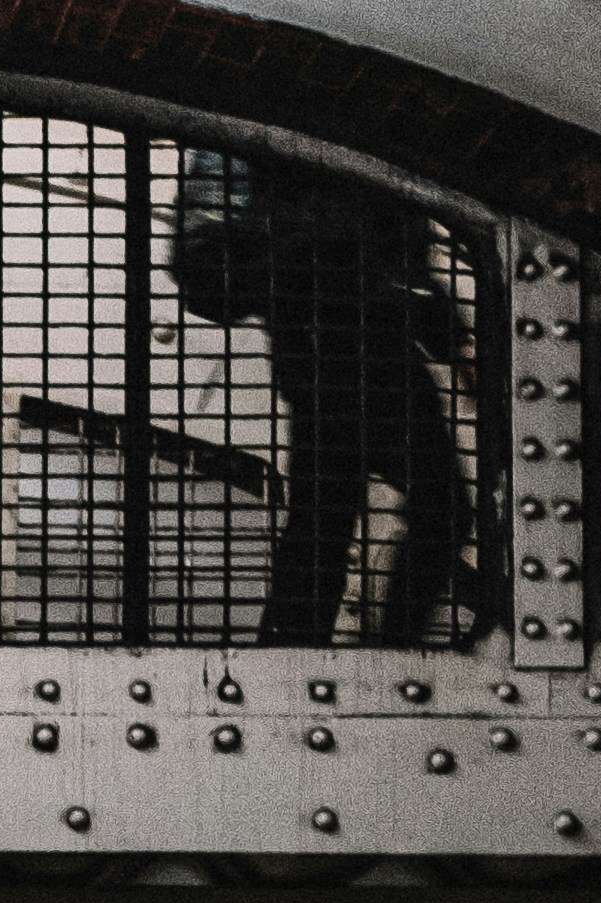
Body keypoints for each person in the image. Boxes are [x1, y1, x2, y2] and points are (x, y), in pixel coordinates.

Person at [168, 152, 458, 648]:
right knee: (413, 508)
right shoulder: (352, 149)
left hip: (335, 347)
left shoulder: (258, 152)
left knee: (327, 518)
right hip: (345, 347)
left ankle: (297, 650)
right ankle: (380, 650)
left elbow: (202, 257)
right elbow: (204, 261)